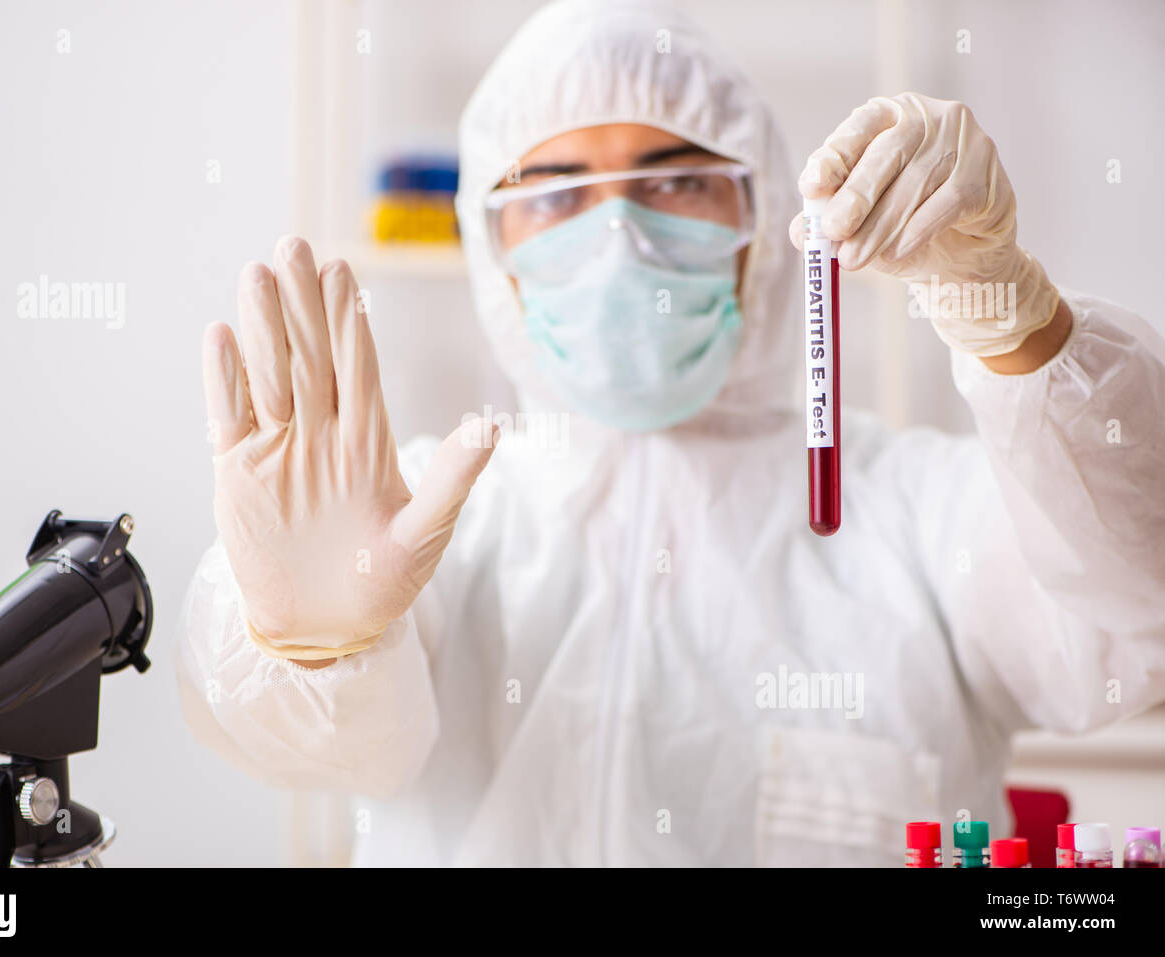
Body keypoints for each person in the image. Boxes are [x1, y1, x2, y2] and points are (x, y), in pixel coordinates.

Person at [177, 0, 1165, 865]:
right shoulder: (429, 522)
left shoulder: (909, 509)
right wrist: (310, 642)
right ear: (494, 248)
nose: (618, 236)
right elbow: (329, 748)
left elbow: (1137, 618)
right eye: (555, 194)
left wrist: (1018, 325)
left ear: (764, 212)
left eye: (675, 181)